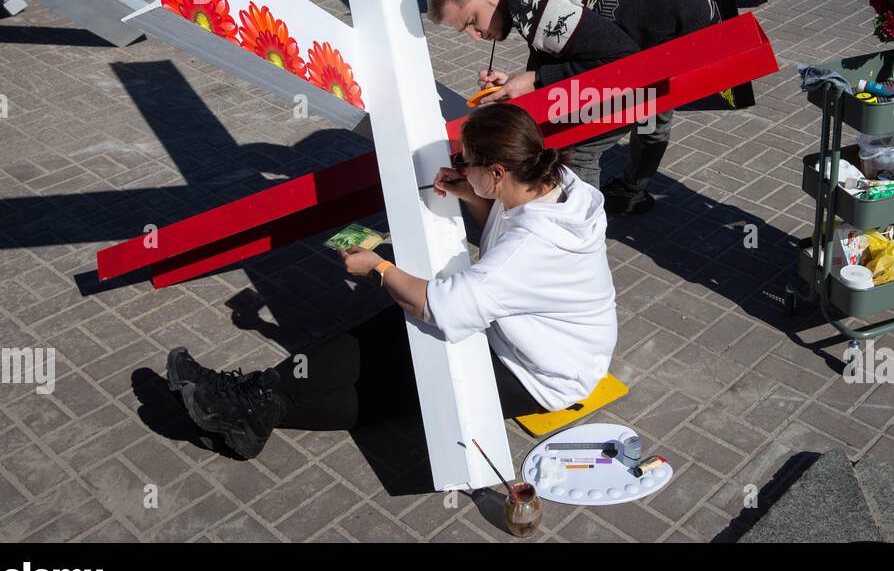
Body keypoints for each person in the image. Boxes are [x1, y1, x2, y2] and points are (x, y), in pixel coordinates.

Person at [164, 104, 617, 461]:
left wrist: (378, 268)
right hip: (536, 343)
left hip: (541, 375)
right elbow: (504, 228)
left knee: (396, 371)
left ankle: (247, 405)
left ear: (498, 173)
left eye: (466, 160)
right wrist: (467, 192)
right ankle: (251, 404)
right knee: (384, 338)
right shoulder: (553, 182)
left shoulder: (531, 248)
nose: (459, 163)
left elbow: (442, 306)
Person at [425, 0, 719, 214]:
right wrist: (526, 81)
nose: (476, 36)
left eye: (472, 21)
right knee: (650, 106)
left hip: (687, 39)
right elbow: (564, 43)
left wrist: (535, 80)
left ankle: (580, 242)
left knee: (578, 144)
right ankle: (633, 190)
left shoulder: (531, 5)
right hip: (690, 2)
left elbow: (622, 61)